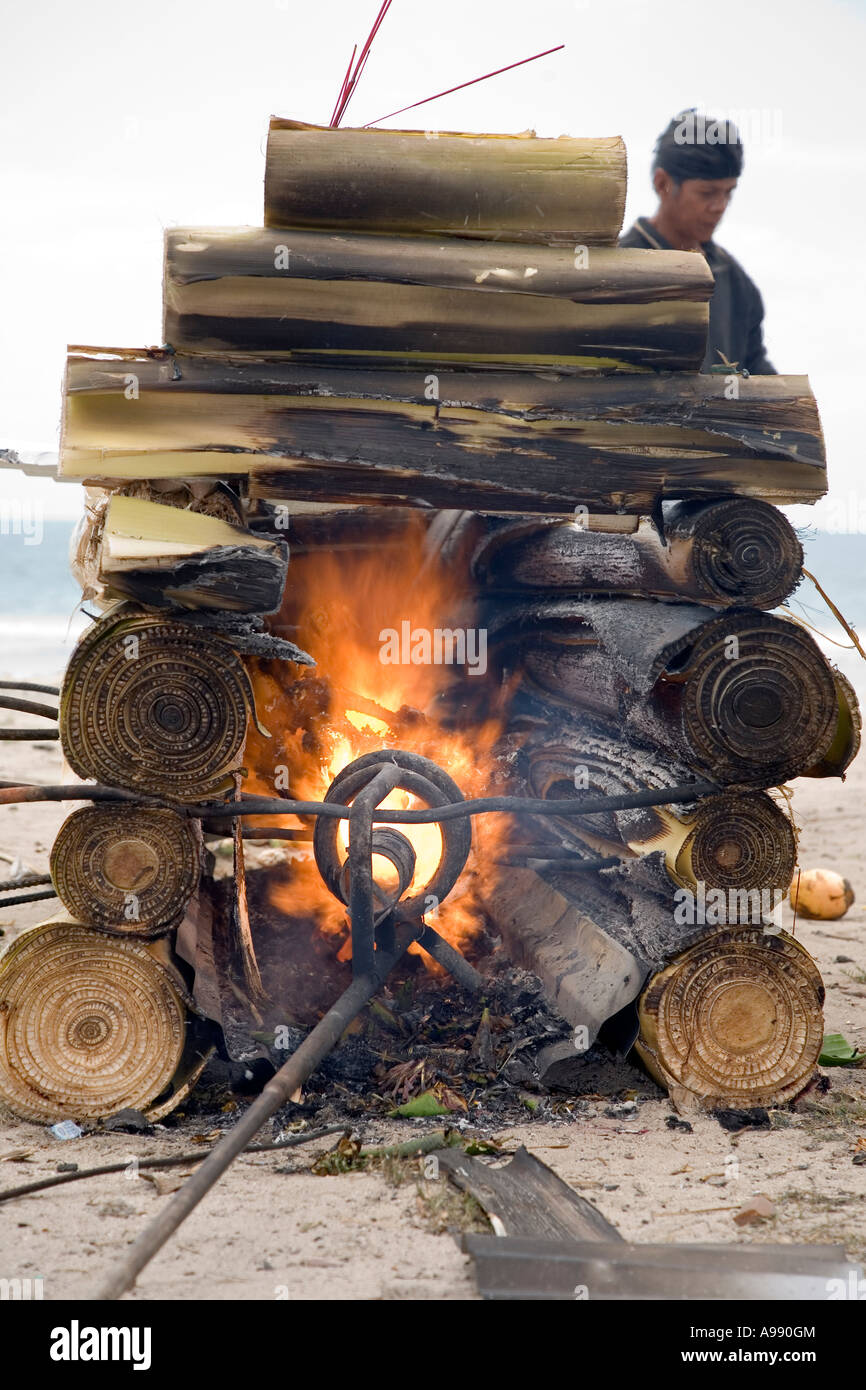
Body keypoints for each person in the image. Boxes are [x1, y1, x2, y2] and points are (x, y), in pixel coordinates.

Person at [620, 110, 776, 375]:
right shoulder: (616, 272)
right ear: (663, 184)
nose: (720, 206)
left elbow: (757, 369)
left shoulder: (735, 282)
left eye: (728, 192)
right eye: (707, 193)